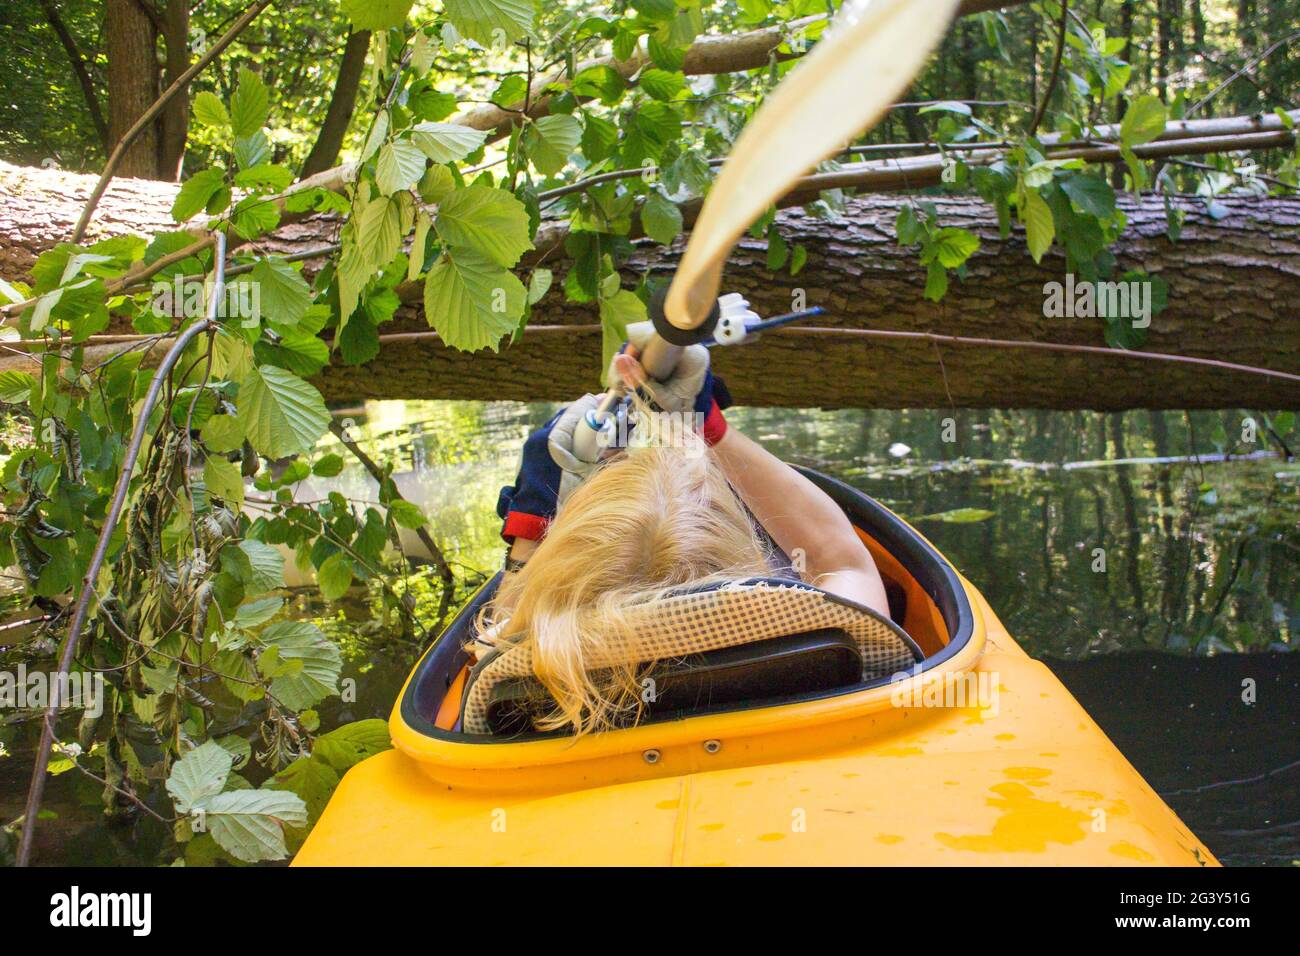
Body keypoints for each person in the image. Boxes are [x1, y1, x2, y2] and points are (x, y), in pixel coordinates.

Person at [478, 321, 889, 735]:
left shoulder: (514, 664)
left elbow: (515, 621)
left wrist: (534, 519)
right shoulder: (831, 630)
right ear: (742, 552)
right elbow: (837, 558)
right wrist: (705, 422)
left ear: (560, 572)